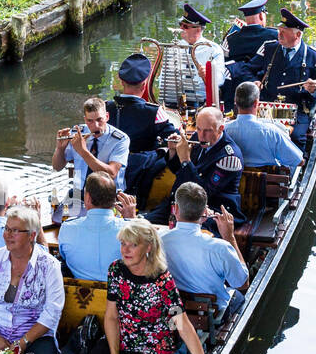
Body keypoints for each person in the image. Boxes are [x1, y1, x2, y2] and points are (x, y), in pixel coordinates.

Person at [91, 218, 219, 354]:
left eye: (133, 245)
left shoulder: (162, 280)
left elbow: (181, 323)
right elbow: (111, 316)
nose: (125, 250)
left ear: (148, 247)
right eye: (123, 243)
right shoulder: (115, 270)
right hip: (120, 339)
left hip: (151, 349)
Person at [0, 203, 65, 354]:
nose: (8, 235)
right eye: (6, 229)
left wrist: (22, 343)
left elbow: (52, 312)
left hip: (34, 339)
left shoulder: (49, 265)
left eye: (15, 231)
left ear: (31, 235)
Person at [237, 4, 316, 147]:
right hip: (266, 106)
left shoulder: (314, 56)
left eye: (284, 32)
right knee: (250, 131)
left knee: (296, 138)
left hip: (296, 110)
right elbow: (246, 70)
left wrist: (314, 88)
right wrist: (254, 81)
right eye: (279, 30)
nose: (279, 35)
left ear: (298, 35)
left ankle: (294, 166)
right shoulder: (268, 48)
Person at [161, 183, 249, 323]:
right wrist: (230, 237)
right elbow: (242, 283)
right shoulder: (221, 248)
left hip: (175, 307)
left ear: (176, 209)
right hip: (211, 314)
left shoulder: (159, 240)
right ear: (204, 212)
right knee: (239, 296)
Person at [146, 106, 245, 227]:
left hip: (212, 211)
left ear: (221, 129)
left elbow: (203, 193)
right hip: (182, 206)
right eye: (198, 129)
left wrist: (185, 160)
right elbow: (180, 172)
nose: (201, 136)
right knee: (143, 224)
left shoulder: (230, 158)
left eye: (207, 131)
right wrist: (173, 152)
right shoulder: (196, 138)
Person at [106, 52, 177, 208]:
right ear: (145, 84)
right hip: (139, 173)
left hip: (107, 169)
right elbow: (174, 137)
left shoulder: (105, 109)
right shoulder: (154, 112)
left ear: (121, 81)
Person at [52, 96, 129, 193]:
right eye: (90, 121)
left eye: (99, 120)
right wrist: (60, 149)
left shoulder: (120, 139)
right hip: (79, 192)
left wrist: (83, 151)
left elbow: (112, 173)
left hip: (108, 194)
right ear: (85, 120)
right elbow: (57, 167)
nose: (95, 125)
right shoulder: (77, 133)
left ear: (107, 117)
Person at [223, 80, 305, 172]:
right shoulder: (271, 131)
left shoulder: (224, 130)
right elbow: (299, 161)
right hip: (263, 182)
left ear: (235, 101)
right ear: (256, 103)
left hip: (233, 181)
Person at [58, 173, 125, 282]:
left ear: (87, 197)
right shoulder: (129, 228)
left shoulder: (68, 227)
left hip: (79, 294)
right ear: (114, 200)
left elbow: (63, 256)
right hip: (119, 295)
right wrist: (133, 220)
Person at [157, 5, 225, 110]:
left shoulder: (213, 50)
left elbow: (220, 80)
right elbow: (162, 81)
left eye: (185, 26)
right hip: (174, 101)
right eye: (180, 25)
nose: (180, 29)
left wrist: (208, 75)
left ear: (197, 29)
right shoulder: (173, 48)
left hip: (201, 103)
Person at [220, 0, 278, 108]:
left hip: (236, 89)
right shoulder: (275, 35)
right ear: (261, 15)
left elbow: (224, 64)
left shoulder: (230, 38)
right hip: (263, 89)